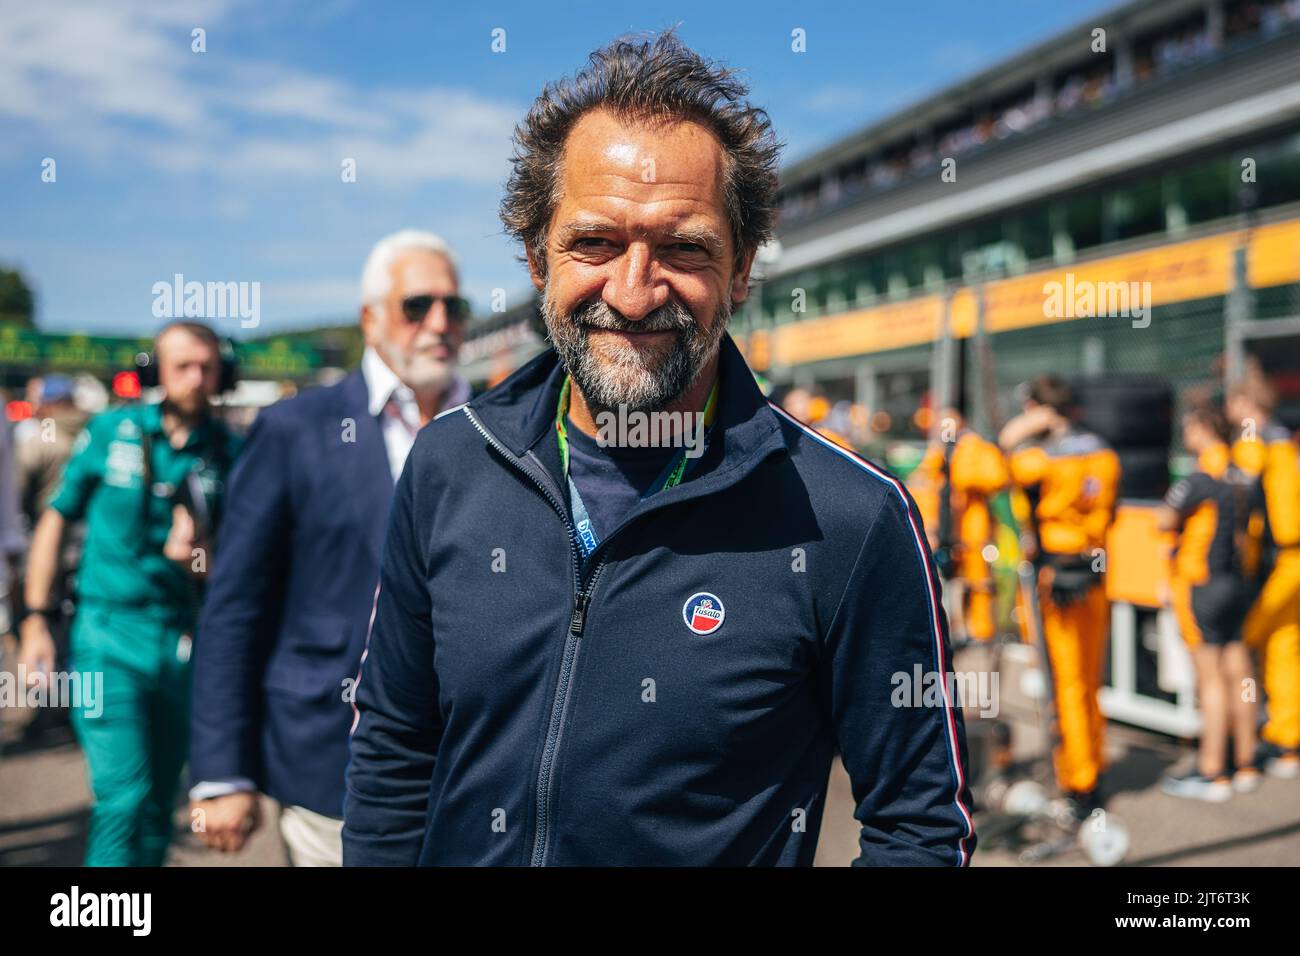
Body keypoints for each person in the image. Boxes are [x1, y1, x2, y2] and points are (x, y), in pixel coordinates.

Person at [343, 32, 975, 867]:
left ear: (742, 268)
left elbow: (920, 830)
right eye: (595, 243)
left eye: (684, 248)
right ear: (537, 258)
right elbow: (393, 751)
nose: (634, 293)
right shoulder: (449, 463)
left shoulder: (849, 519)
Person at [188, 230, 471, 866]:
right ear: (371, 319)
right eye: (417, 305)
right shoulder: (294, 429)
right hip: (326, 762)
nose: (440, 323)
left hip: (467, 770)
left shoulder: (492, 424)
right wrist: (221, 772)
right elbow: (235, 603)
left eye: (455, 307)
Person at [18, 320, 241, 866]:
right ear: (155, 371)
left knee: (161, 801)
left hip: (183, 641)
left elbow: (243, 568)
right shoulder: (110, 431)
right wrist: (34, 619)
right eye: (183, 365)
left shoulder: (232, 451)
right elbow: (55, 519)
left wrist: (198, 558)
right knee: (123, 796)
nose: (196, 377)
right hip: (106, 636)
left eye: (208, 366)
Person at [999, 375, 1120, 818]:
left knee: (1065, 682)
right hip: (1093, 572)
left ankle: (1079, 782)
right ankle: (1093, 768)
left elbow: (995, 469)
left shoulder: (1037, 459)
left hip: (1057, 578)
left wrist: (1012, 435)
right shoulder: (1102, 450)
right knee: (1087, 680)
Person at [1158, 402, 1264, 801]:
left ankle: (1213, 770)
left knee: (1211, 678)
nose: (1186, 434)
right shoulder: (1243, 473)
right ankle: (1247, 761)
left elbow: (1163, 519)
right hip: (1239, 583)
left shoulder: (1200, 476)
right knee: (1241, 669)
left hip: (1203, 585)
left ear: (1203, 428)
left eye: (1189, 426)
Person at [1228, 373, 1300, 778]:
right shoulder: (1283, 438)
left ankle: (1242, 741)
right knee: (1283, 647)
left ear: (1244, 404)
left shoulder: (1255, 440)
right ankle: (1287, 740)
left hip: (1278, 562)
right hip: (1293, 557)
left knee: (1243, 643)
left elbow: (1236, 490)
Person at [909, 408, 1009, 641]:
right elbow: (923, 486)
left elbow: (996, 478)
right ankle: (952, 630)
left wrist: (960, 468)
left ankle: (981, 633)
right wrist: (930, 527)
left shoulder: (974, 447)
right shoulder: (938, 453)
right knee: (947, 581)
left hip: (972, 528)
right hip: (946, 529)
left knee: (979, 582)